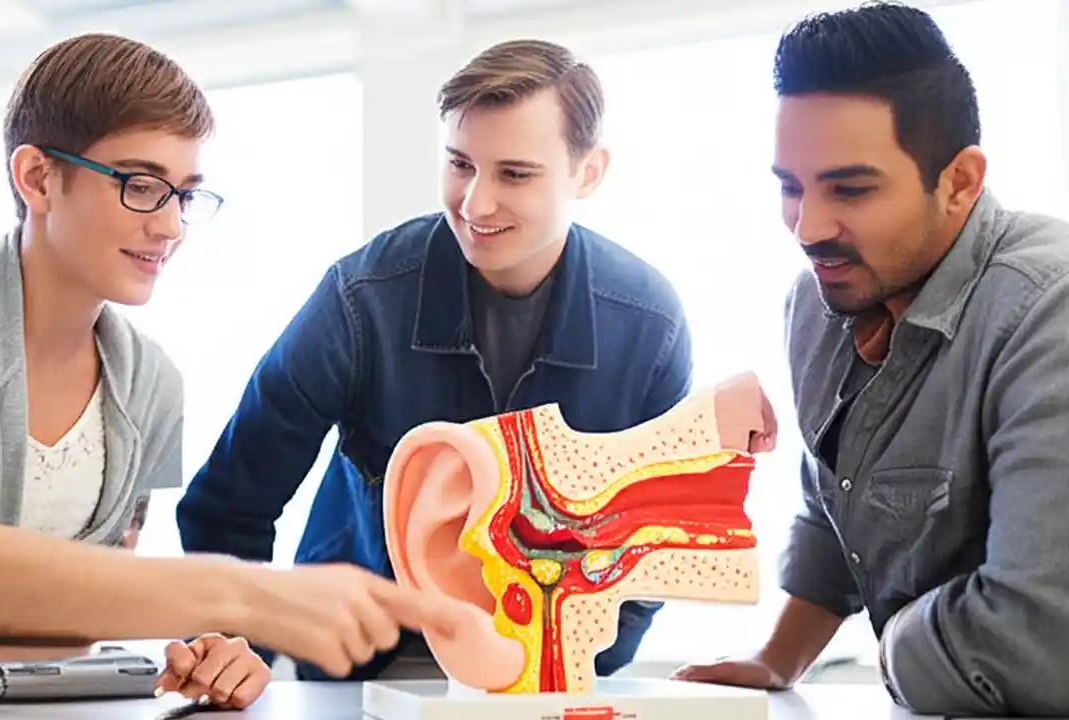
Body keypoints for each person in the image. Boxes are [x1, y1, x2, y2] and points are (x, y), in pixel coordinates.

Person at [0, 32, 461, 706]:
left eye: (185, 194)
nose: (171, 226)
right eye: (141, 185)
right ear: (37, 177)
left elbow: (77, 617)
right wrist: (251, 594)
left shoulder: (148, 385)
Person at [178, 38, 693, 681]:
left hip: (556, 675)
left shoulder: (651, 323)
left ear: (587, 172)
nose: (475, 203)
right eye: (459, 163)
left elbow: (662, 534)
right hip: (365, 672)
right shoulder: (359, 300)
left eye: (515, 173)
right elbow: (228, 504)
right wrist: (235, 652)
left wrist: (592, 653)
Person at [671, 3, 1069, 716]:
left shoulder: (1049, 314)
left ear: (960, 181)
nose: (808, 228)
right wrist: (776, 660)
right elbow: (837, 498)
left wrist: (890, 651)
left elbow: (1037, 643)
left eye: (850, 189)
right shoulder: (820, 302)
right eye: (791, 186)